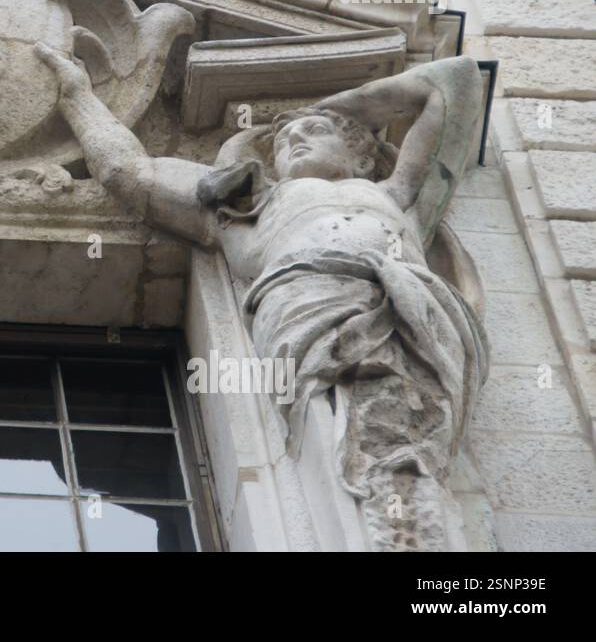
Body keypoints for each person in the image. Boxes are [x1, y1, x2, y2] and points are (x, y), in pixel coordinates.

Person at [35, 42, 489, 550]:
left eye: (312, 133)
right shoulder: (239, 211)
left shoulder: (397, 193)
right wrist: (77, 97)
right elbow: (130, 172)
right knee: (348, 433)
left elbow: (455, 82)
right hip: (311, 312)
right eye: (283, 140)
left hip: (409, 308)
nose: (294, 141)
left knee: (402, 433)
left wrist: (340, 107)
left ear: (362, 152)